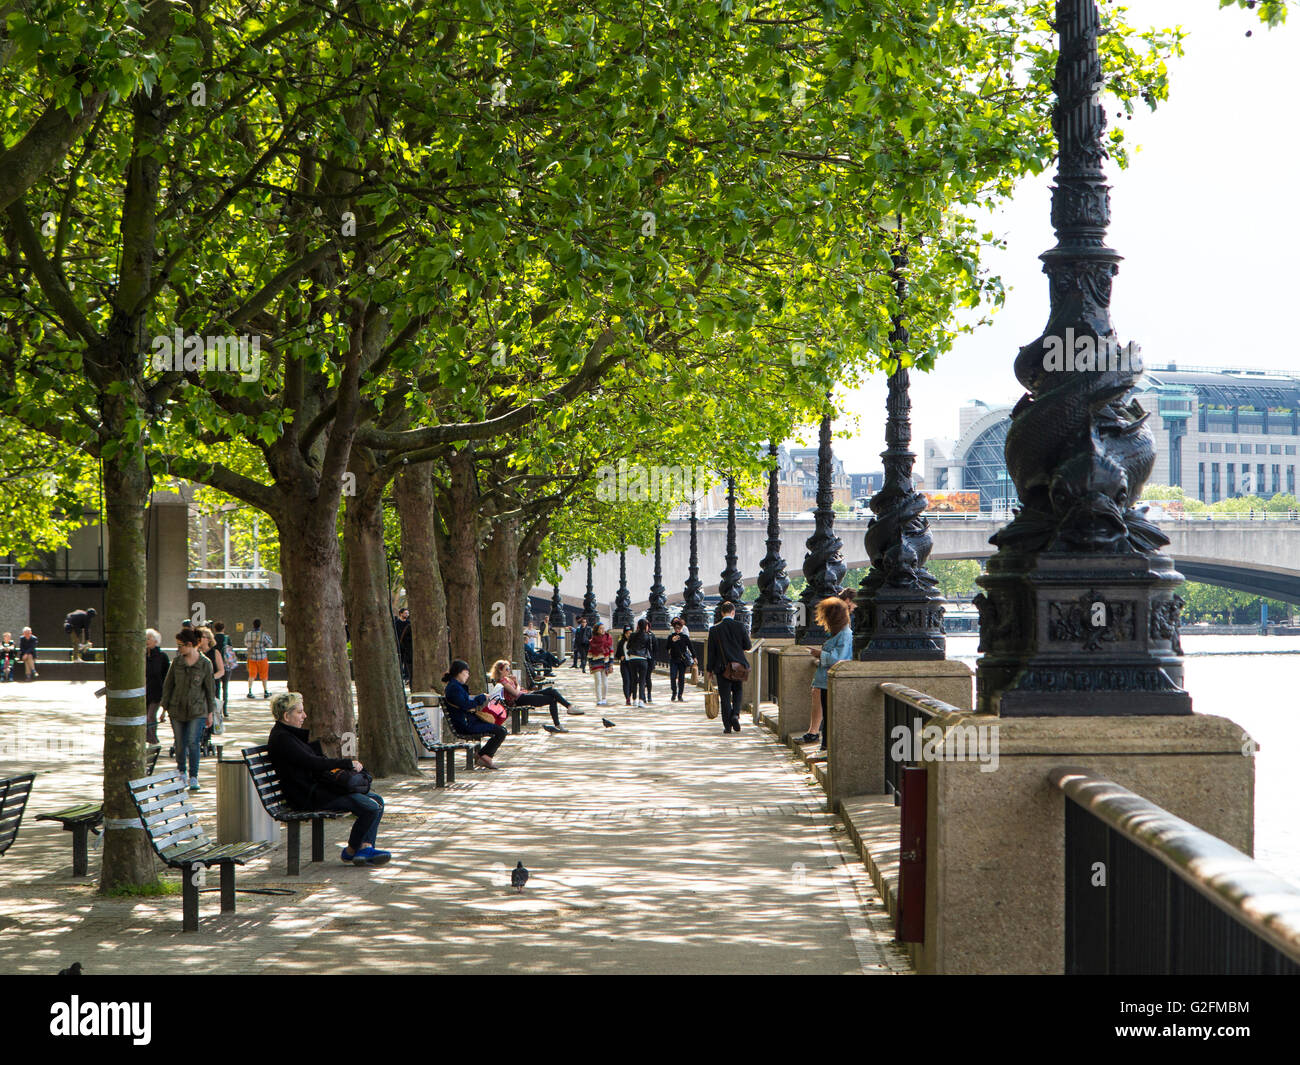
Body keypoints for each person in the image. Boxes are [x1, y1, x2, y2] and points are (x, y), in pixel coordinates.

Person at [268, 691, 390, 866]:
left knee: (377, 800)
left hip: (317, 790)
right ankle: (351, 851)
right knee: (370, 807)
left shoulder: (288, 735)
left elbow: (314, 762)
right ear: (287, 716)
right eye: (299, 712)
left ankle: (364, 847)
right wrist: (347, 764)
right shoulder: (283, 738)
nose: (304, 716)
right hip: (308, 796)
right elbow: (312, 762)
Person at [160, 628, 216, 790]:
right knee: (179, 743)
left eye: (180, 645)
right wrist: (163, 709)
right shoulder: (177, 662)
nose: (178, 649)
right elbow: (168, 686)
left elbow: (210, 690)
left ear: (189, 644)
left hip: (197, 710)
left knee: (193, 742)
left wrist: (210, 713)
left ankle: (193, 776)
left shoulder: (205, 664)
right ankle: (181, 772)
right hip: (176, 710)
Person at [806, 597, 855, 749]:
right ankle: (825, 746)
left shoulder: (845, 634)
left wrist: (820, 654)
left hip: (829, 680)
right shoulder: (838, 633)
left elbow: (838, 658)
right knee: (827, 715)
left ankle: (826, 747)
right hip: (824, 680)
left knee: (829, 715)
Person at [443, 659, 507, 768]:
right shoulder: (454, 688)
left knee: (501, 729)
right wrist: (480, 698)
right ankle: (484, 756)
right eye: (467, 673)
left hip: (467, 721)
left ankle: (483, 755)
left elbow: (463, 702)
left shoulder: (456, 686)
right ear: (460, 672)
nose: (468, 676)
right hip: (465, 725)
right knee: (500, 731)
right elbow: (465, 705)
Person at [490, 659, 580, 733]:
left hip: (525, 694)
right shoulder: (503, 681)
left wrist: (516, 683)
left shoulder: (507, 679)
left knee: (552, 691)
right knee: (551, 699)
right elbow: (516, 693)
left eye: (509, 668)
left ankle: (568, 708)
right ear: (500, 670)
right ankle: (561, 720)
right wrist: (516, 683)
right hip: (520, 699)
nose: (509, 671)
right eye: (507, 669)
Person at [706, 602, 751, 734]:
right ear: (733, 612)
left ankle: (727, 726)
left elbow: (711, 652)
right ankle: (735, 715)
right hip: (738, 667)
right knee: (738, 691)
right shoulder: (740, 626)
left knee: (725, 697)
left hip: (722, 668)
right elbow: (747, 646)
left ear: (721, 613)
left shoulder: (714, 629)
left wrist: (709, 670)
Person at [197, 627, 226, 754]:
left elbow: (221, 670)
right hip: (197, 688)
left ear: (208, 639)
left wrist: (211, 677)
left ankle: (206, 738)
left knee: (210, 712)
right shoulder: (195, 653)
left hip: (212, 687)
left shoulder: (215, 653)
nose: (199, 639)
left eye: (202, 637)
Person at [145, 628, 169, 745]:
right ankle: (148, 738)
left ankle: (153, 740)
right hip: (144, 692)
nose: (147, 641)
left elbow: (167, 675)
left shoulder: (162, 657)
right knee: (144, 718)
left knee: (150, 717)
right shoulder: (142, 657)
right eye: (145, 638)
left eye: (149, 638)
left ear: (156, 641)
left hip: (157, 692)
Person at [666, 618, 694, 702]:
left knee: (681, 678)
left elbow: (690, 647)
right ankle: (674, 692)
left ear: (681, 628)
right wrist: (672, 641)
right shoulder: (671, 637)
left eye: (679, 628)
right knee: (673, 676)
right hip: (674, 659)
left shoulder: (684, 637)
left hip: (682, 660)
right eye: (676, 628)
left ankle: (680, 694)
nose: (677, 630)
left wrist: (694, 657)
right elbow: (667, 647)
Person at [245, 618, 272, 698]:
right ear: (260, 625)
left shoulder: (248, 634)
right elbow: (270, 645)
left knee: (251, 675)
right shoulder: (263, 635)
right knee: (264, 675)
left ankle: (250, 691)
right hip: (262, 658)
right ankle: (265, 691)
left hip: (251, 658)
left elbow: (246, 643)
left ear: (253, 625)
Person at [631, 618, 655, 705]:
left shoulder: (633, 635)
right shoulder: (647, 636)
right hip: (642, 658)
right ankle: (641, 700)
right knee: (642, 680)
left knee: (633, 679)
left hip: (633, 658)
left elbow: (628, 646)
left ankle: (634, 699)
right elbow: (649, 648)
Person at [588, 623, 613, 705]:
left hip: (605, 662)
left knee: (605, 683)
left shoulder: (608, 638)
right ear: (597, 630)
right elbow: (590, 653)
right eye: (600, 628)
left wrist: (611, 664)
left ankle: (604, 698)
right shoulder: (592, 640)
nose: (603, 630)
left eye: (603, 628)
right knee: (598, 681)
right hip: (595, 662)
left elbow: (611, 651)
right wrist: (590, 664)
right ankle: (599, 699)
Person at [211, 621, 232, 717]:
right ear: (223, 629)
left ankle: (217, 709)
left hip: (215, 666)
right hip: (226, 666)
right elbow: (231, 651)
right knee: (225, 688)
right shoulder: (227, 638)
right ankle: (225, 710)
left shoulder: (213, 639)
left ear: (215, 629)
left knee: (217, 688)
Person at [614, 625, 638, 707]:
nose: (628, 635)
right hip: (624, 664)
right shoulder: (621, 642)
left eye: (630, 633)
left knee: (632, 681)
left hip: (632, 663)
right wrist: (620, 656)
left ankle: (631, 694)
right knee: (626, 680)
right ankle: (627, 697)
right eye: (627, 633)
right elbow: (617, 654)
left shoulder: (635, 642)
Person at [393, 608, 412, 684]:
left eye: (407, 613)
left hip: (407, 646)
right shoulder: (396, 623)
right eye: (405, 613)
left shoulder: (409, 623)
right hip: (399, 645)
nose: (407, 615)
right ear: (400, 614)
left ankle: (407, 677)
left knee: (407, 661)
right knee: (399, 661)